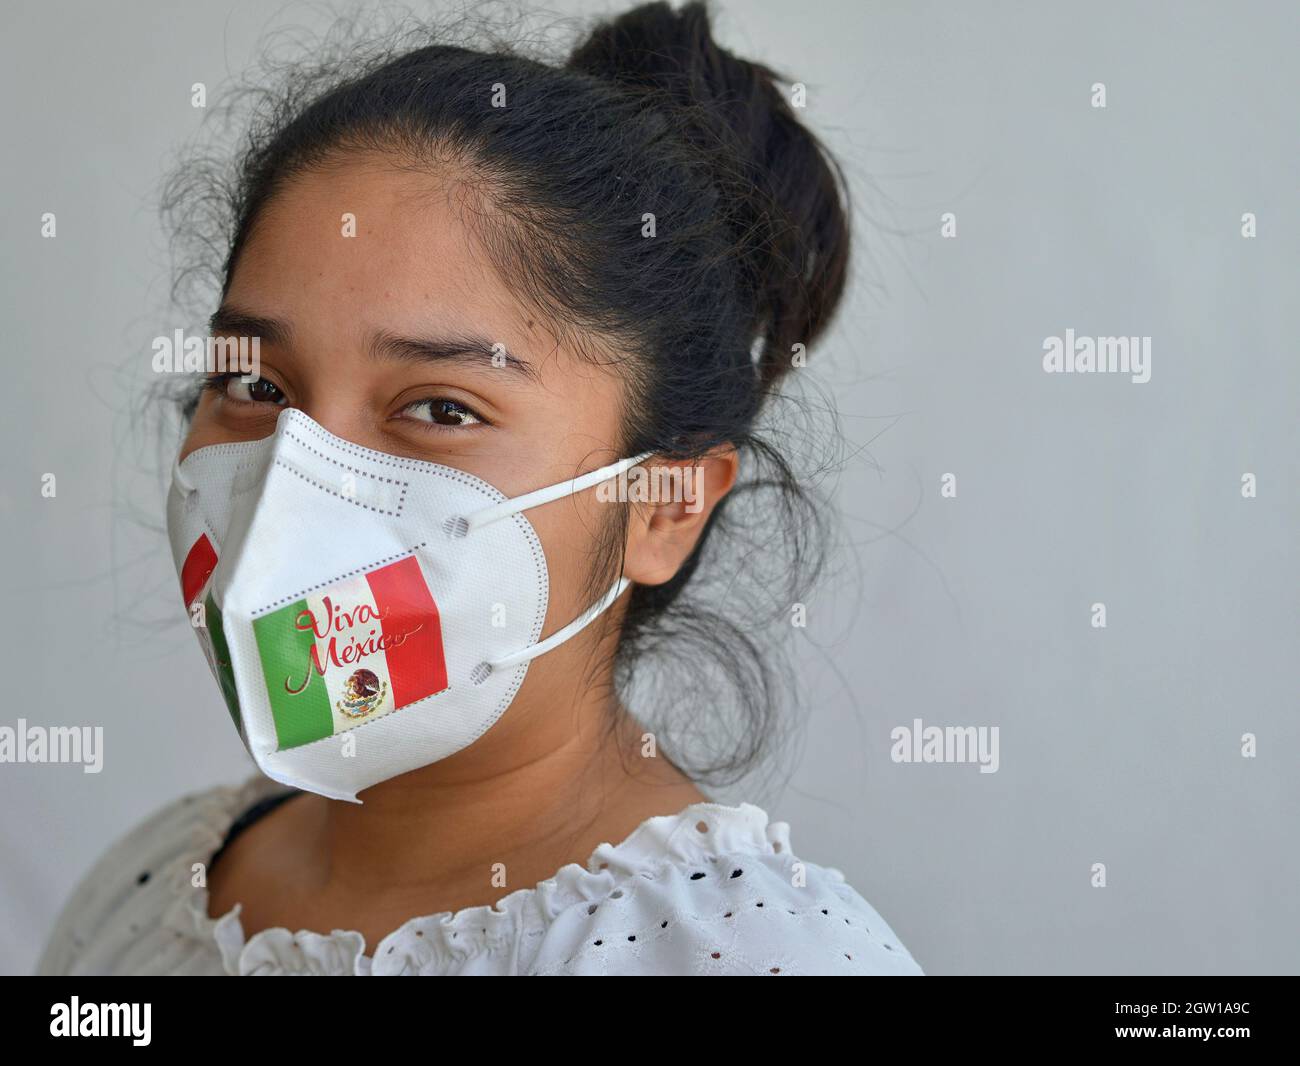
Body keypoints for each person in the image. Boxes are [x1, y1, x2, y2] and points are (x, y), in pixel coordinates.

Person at [36, 0, 924, 976]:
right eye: (255, 385)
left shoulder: (752, 955)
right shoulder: (153, 888)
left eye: (442, 408)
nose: (295, 482)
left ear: (665, 504)